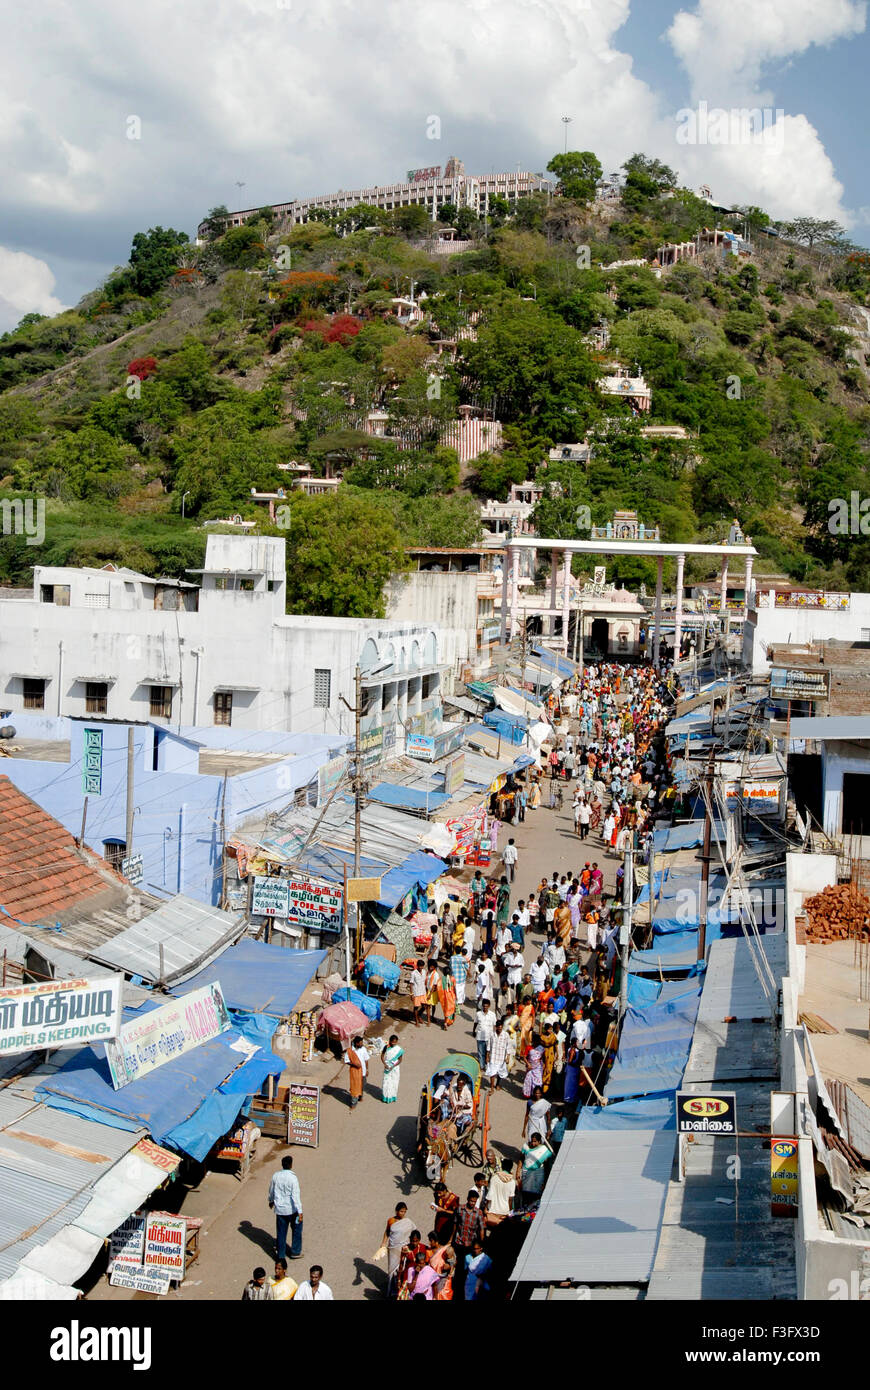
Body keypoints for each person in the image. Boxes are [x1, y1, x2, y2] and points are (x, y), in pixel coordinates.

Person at [268, 1155, 303, 1262]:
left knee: (281, 1232)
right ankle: (295, 1251)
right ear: (291, 1165)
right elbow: (295, 1196)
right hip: (293, 1210)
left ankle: (281, 1254)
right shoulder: (293, 1178)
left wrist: (271, 1200)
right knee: (297, 1230)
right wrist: (300, 1211)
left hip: (280, 1210)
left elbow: (272, 1190)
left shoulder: (276, 1176)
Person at [453, 1192, 486, 1300]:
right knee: (458, 1269)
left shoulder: (478, 1213)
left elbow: (481, 1228)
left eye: (474, 1201)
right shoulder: (460, 1209)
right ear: (467, 1199)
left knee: (468, 1269)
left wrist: (481, 1244)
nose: (472, 1203)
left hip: (470, 1246)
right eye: (471, 1201)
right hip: (459, 1243)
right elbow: (455, 1224)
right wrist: (451, 1239)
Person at [382, 1202, 414, 1298]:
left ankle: (399, 1291)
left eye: (404, 1211)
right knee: (392, 1270)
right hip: (393, 1249)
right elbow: (387, 1232)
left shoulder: (408, 1222)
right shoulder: (391, 1221)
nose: (403, 1213)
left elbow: (413, 1233)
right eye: (401, 1211)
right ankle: (390, 1291)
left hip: (403, 1249)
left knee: (401, 1269)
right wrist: (383, 1243)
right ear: (396, 1211)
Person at [517, 1134, 553, 1208]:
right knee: (525, 1190)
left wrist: (546, 1180)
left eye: (535, 1141)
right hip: (526, 1171)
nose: (533, 1143)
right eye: (532, 1141)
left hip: (538, 1173)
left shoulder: (544, 1149)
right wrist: (518, 1171)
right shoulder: (526, 1146)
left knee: (537, 1191)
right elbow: (521, 1158)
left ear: (539, 1141)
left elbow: (546, 1164)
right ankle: (525, 1206)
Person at [486, 1155, 517, 1225]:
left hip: (493, 1211)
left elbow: (489, 1195)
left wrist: (485, 1208)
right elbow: (510, 1200)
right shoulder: (512, 1182)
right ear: (511, 1169)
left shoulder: (494, 1178)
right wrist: (510, 1213)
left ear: (502, 1167)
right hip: (504, 1212)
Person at [485, 1018, 510, 1090]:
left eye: (501, 1027)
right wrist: (487, 1057)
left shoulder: (506, 1035)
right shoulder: (492, 1035)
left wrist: (507, 1057)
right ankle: (492, 1087)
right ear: (496, 1027)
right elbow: (488, 1046)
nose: (500, 1029)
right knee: (492, 1073)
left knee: (500, 1072)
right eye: (498, 1027)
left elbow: (508, 1047)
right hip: (493, 1057)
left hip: (501, 1058)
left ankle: (498, 1084)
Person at [344, 1036, 366, 1108]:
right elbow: (346, 1061)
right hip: (355, 1072)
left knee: (362, 1086)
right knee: (355, 1087)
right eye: (360, 1043)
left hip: (363, 1072)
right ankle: (354, 1103)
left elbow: (366, 1060)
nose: (362, 1044)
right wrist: (354, 1065)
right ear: (356, 1043)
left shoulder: (363, 1049)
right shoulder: (350, 1051)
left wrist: (367, 1069)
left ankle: (360, 1096)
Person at [381, 1035, 403, 1104]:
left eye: (395, 1042)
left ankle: (392, 1097)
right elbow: (382, 1056)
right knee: (386, 1083)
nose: (394, 1043)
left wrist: (393, 1066)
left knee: (394, 1082)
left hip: (395, 1068)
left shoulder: (399, 1050)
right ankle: (386, 1097)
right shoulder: (386, 1047)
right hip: (387, 1067)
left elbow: (400, 1060)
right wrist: (385, 1064)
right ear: (390, 1041)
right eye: (392, 1042)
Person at [409, 959, 427, 1027]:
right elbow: (411, 984)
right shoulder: (413, 973)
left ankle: (419, 1016)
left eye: (422, 966)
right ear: (417, 966)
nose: (420, 968)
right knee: (416, 1007)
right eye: (419, 966)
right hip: (416, 992)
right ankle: (416, 1021)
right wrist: (411, 994)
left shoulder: (424, 972)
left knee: (424, 1006)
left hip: (423, 992)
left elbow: (425, 981)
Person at [425, 958, 440, 1027]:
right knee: (428, 1006)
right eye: (430, 966)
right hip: (428, 990)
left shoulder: (436, 974)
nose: (430, 967)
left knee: (433, 1005)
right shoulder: (428, 972)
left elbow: (434, 985)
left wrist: (429, 994)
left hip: (433, 992)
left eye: (432, 966)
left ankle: (432, 1017)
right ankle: (428, 1020)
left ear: (434, 967)